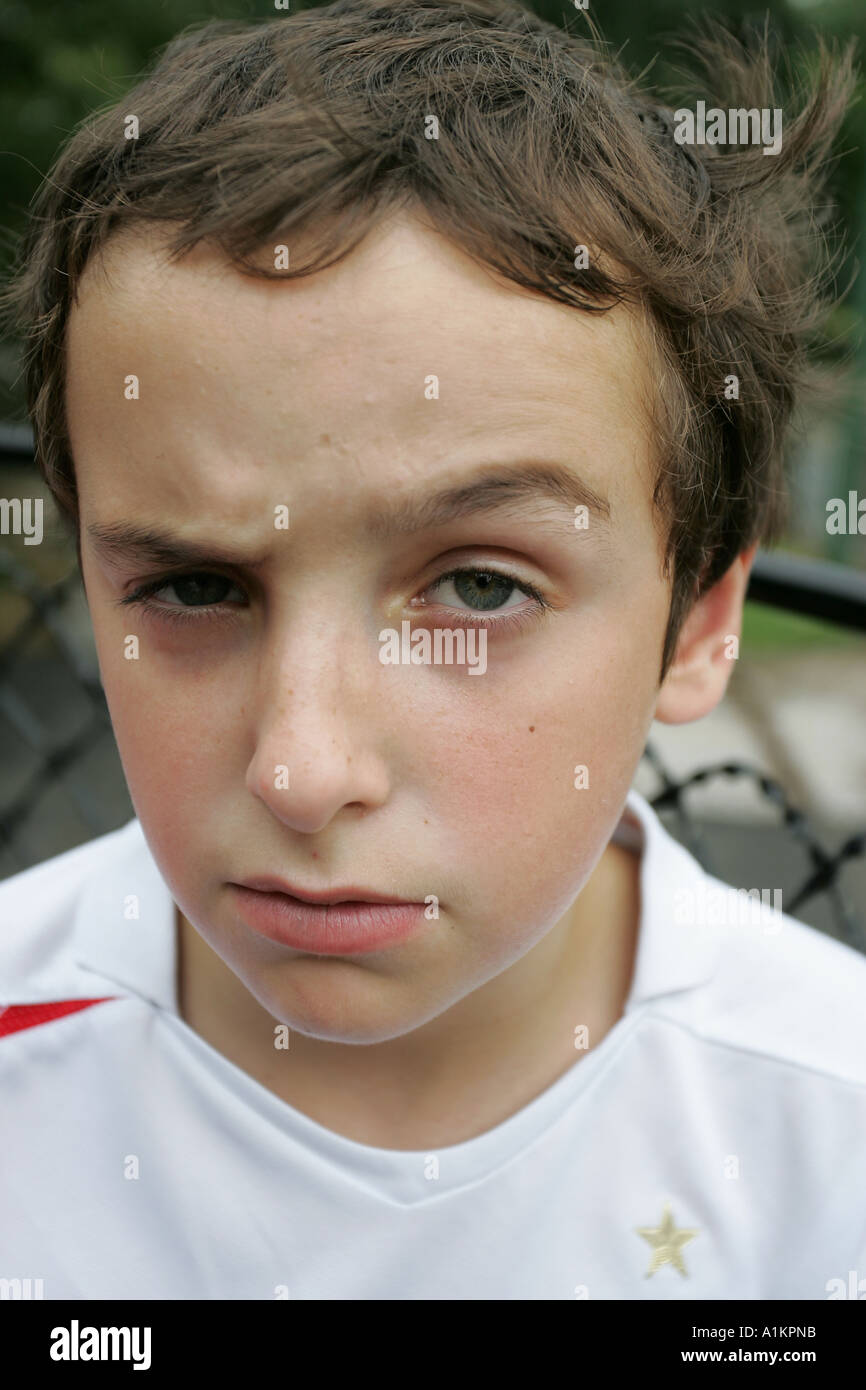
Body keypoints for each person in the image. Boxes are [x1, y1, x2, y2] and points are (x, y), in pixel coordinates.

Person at [1, 0, 864, 1300]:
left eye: (476, 585)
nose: (303, 768)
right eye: (191, 584)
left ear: (697, 619)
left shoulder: (827, 1136)